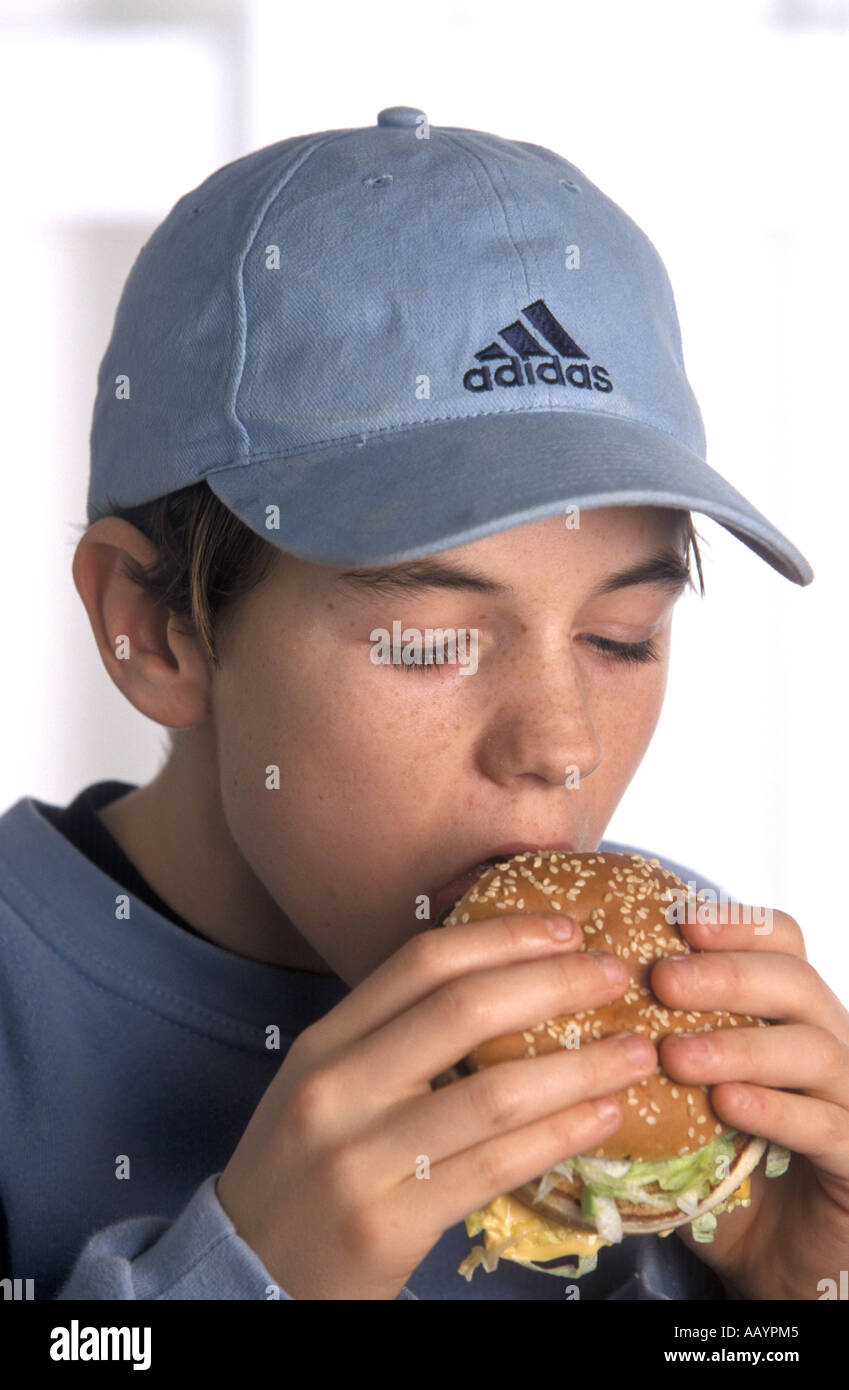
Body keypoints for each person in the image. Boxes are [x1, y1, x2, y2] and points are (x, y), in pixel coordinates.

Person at [1, 107, 846, 1302]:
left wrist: (784, 1300)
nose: (560, 747)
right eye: (432, 640)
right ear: (153, 623)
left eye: (623, 636)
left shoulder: (701, 1043)